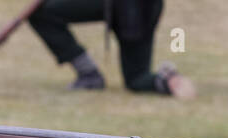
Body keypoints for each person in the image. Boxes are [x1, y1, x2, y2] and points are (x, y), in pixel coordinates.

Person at [28, 0, 194, 97]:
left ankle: (88, 74)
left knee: (43, 14)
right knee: (137, 78)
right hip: (142, 7)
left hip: (133, 7)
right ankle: (167, 81)